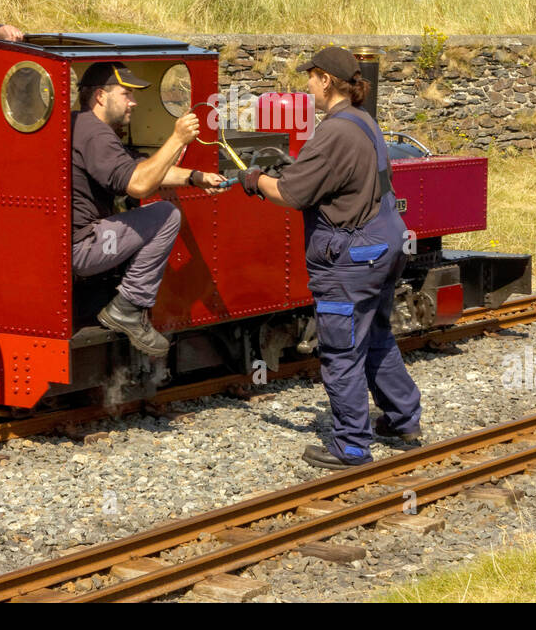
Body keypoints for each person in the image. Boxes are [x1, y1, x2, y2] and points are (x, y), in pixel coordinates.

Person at [242, 45, 423, 470]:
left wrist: (254, 179)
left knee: (341, 351)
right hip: (385, 246)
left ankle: (352, 447)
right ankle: (402, 419)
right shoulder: (363, 122)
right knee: (376, 335)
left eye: (311, 77)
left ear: (326, 80)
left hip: (352, 258)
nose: (306, 85)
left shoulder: (334, 131)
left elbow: (289, 194)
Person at [71, 61, 226, 356]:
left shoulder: (82, 125)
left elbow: (141, 169)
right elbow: (140, 184)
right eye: (126, 93)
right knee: (166, 215)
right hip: (82, 248)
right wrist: (177, 139)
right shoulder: (97, 135)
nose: (134, 101)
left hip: (71, 243)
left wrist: (194, 177)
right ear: (101, 96)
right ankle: (128, 308)